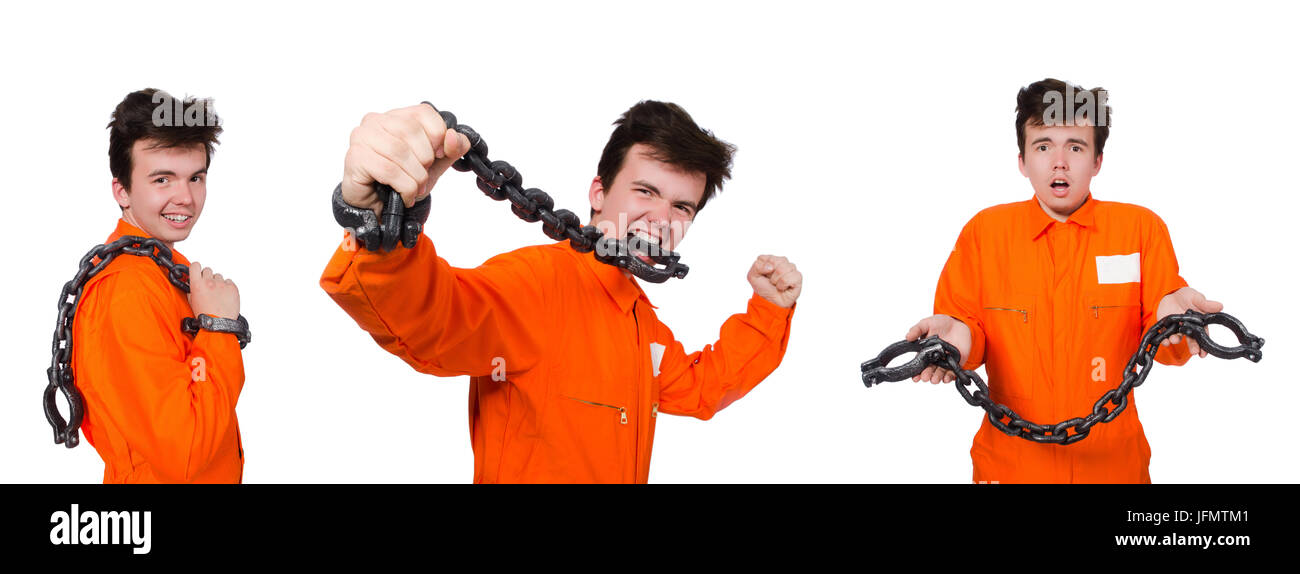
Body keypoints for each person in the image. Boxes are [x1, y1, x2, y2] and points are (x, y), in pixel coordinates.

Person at [321, 100, 801, 483]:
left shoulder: (640, 323)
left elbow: (700, 389)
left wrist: (769, 311)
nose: (663, 220)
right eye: (646, 192)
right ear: (598, 193)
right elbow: (434, 319)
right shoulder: (538, 286)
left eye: (683, 206)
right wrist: (373, 223)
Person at [906, 78, 1223, 483]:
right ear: (1022, 160)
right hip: (1010, 468)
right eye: (1043, 146)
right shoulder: (984, 234)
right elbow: (970, 332)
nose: (1059, 162)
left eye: (1075, 146)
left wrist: (1173, 321)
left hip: (1114, 469)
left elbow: (1159, 318)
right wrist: (954, 338)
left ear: (1097, 161)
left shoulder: (1140, 230)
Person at [72, 89, 246, 483]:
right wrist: (218, 327)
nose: (185, 198)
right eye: (162, 179)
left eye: (195, 177)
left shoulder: (166, 270)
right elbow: (184, 454)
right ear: (122, 190)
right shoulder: (127, 291)